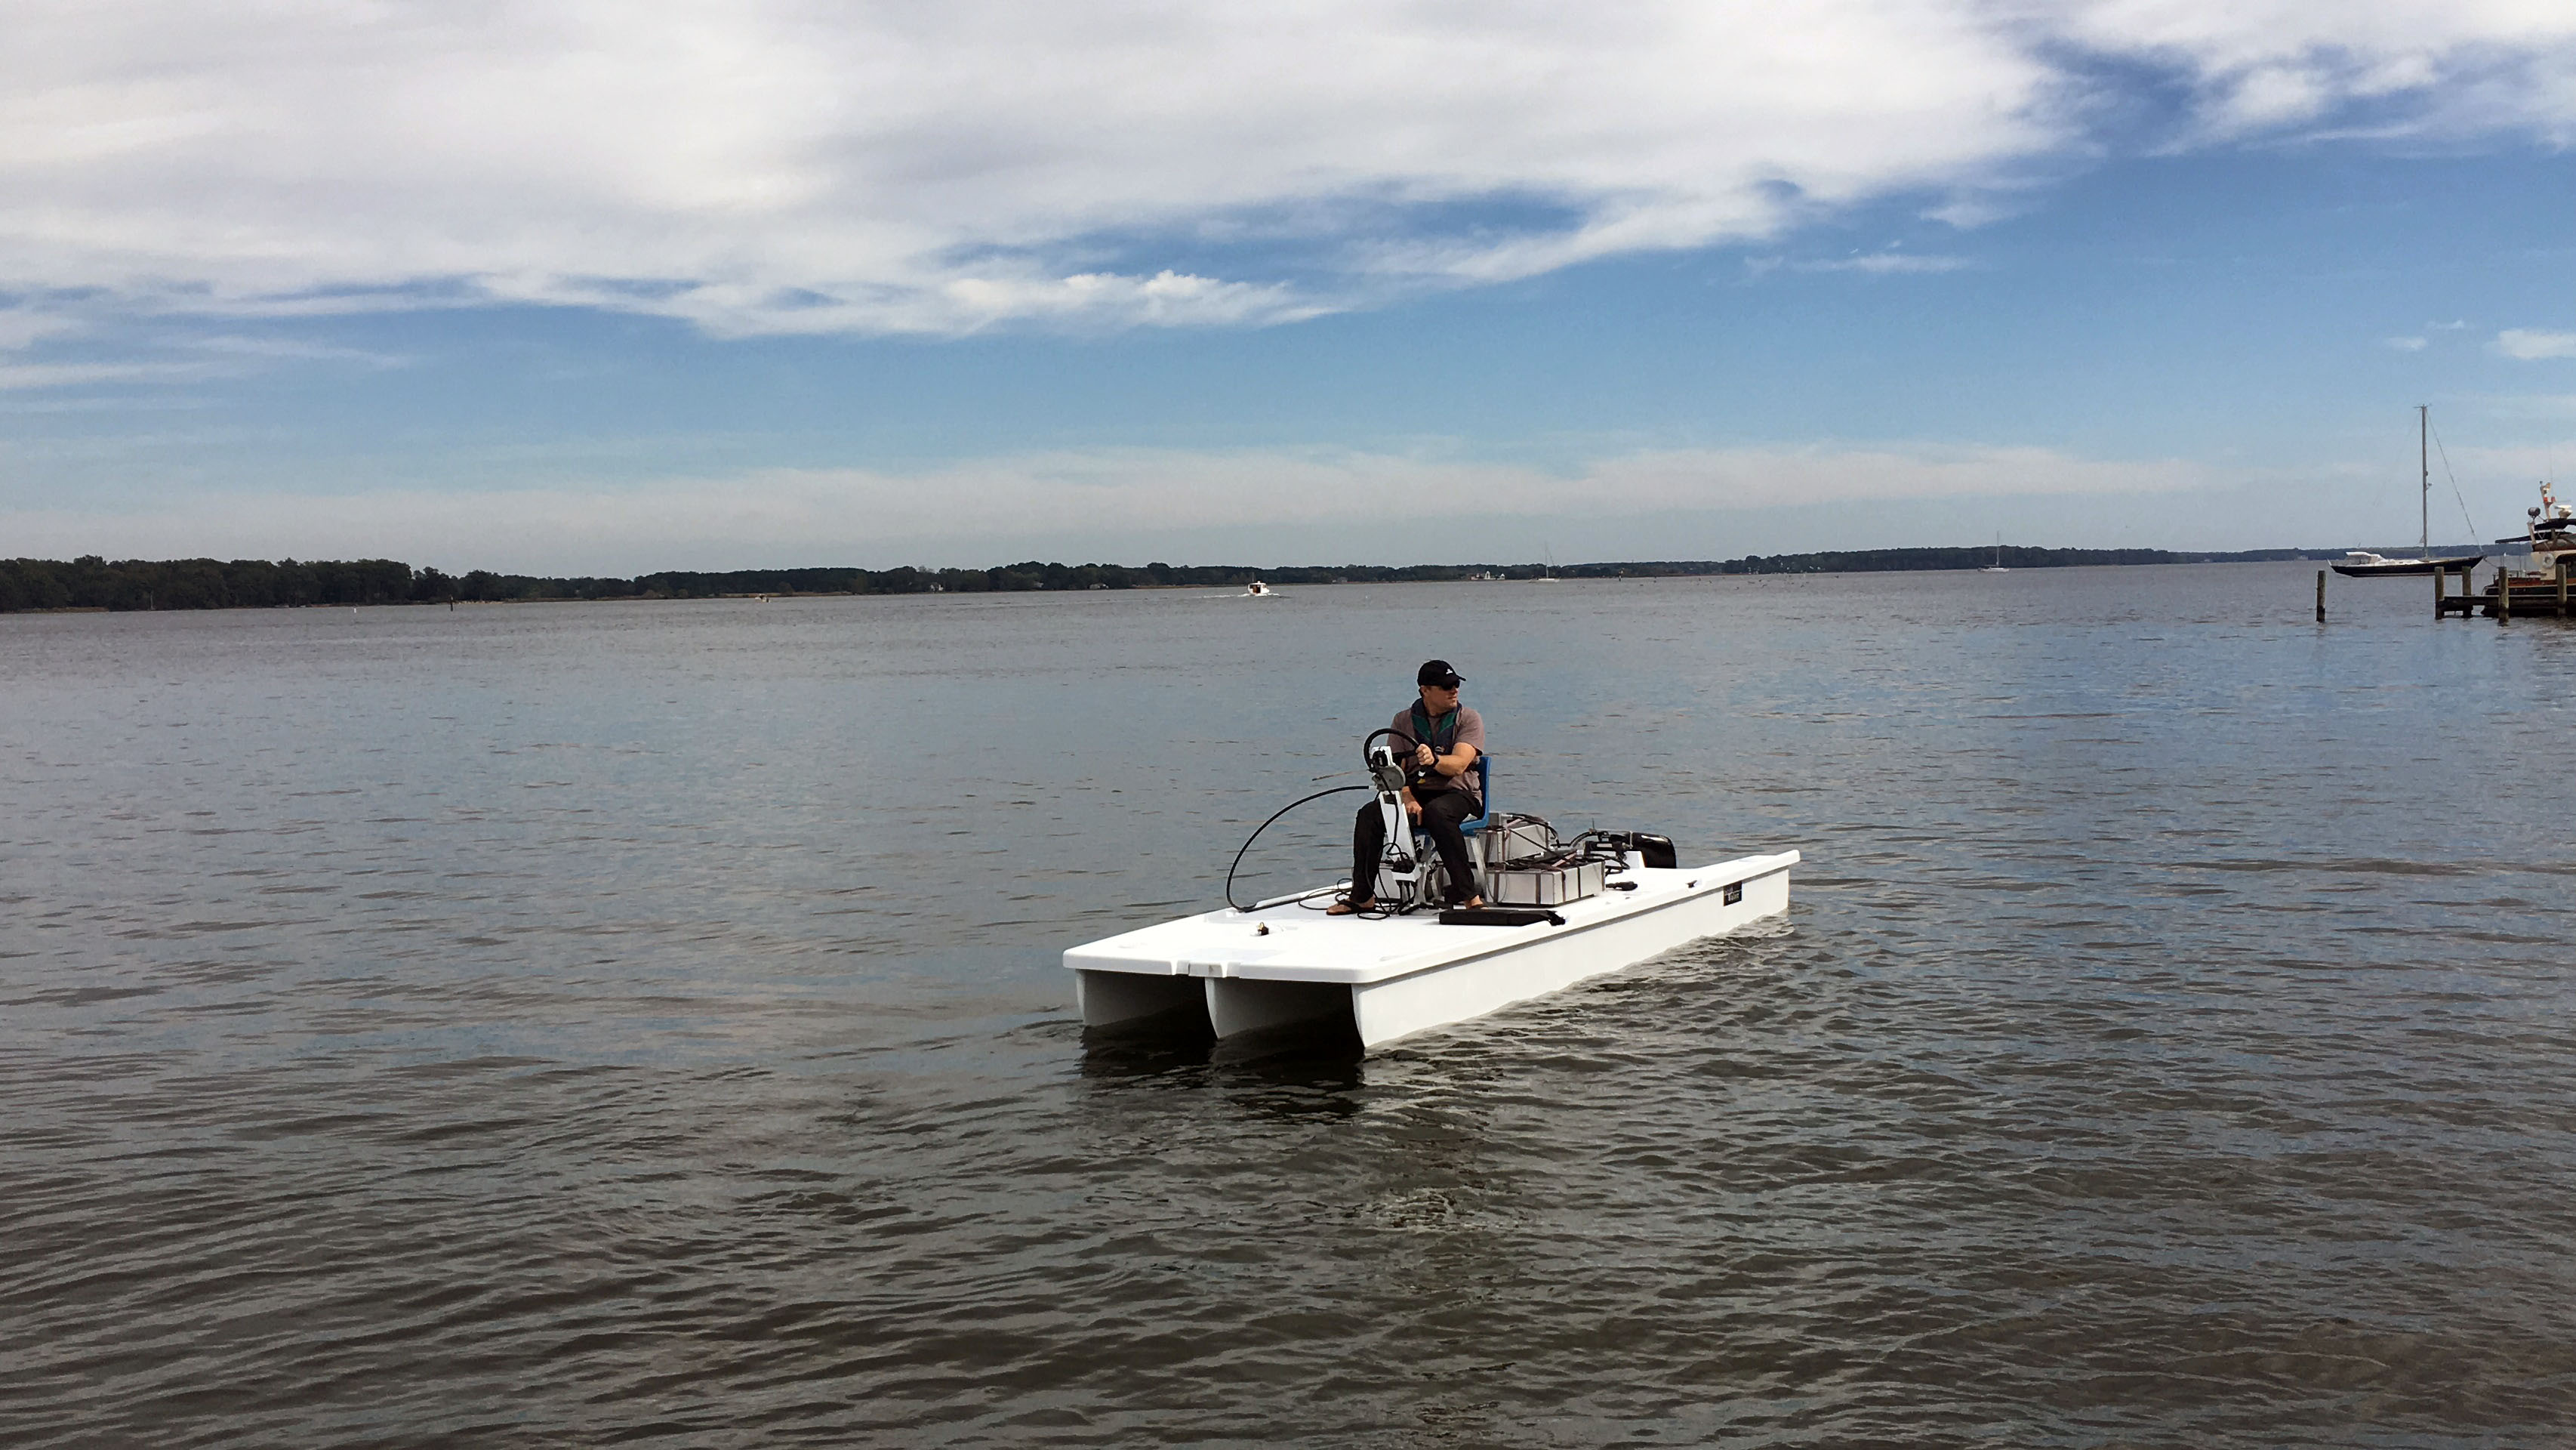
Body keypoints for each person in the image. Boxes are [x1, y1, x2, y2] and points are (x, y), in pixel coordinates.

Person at [1331, 659, 1486, 915]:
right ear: (1425, 690)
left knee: (1438, 813)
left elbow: (1459, 765)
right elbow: (1394, 770)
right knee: (1369, 815)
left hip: (1460, 793)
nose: (1454, 690)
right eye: (1446, 686)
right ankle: (1362, 896)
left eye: (1456, 684)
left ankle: (1470, 898)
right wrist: (1407, 797)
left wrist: (1434, 760)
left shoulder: (1468, 718)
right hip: (1416, 791)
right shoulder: (1402, 720)